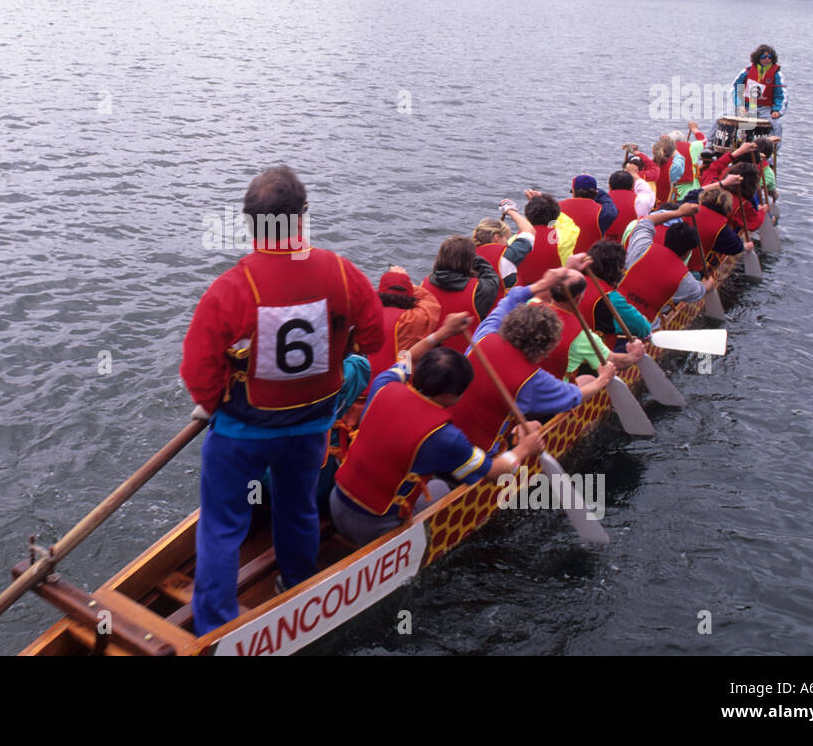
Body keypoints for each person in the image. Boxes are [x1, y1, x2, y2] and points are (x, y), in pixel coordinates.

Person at [180, 165, 384, 635]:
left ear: (250, 223)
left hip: (242, 433)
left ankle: (215, 625)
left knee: (222, 525)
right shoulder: (342, 272)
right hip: (311, 425)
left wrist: (217, 402)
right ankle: (295, 582)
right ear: (302, 217)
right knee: (297, 509)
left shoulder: (230, 289)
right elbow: (373, 338)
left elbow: (197, 369)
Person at [330, 313, 546, 547]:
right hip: (374, 527)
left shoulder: (384, 384)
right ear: (448, 396)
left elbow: (407, 357)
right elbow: (495, 473)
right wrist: (525, 449)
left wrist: (442, 333)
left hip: (337, 501)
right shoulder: (445, 437)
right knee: (441, 487)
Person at [450, 266, 616, 450]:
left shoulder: (485, 335)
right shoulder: (532, 379)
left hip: (445, 426)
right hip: (482, 452)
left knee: (530, 423)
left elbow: (511, 298)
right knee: (541, 421)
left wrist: (542, 284)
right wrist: (603, 379)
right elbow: (574, 397)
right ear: (544, 349)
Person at [619, 204, 716, 322]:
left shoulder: (642, 246)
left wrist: (679, 213)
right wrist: (708, 285)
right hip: (644, 325)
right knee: (695, 278)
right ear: (687, 253)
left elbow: (646, 221)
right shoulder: (685, 278)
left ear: (666, 238)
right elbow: (699, 292)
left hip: (615, 306)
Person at [420, 236, 499, 350]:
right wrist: (470, 255)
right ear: (469, 261)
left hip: (430, 354)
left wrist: (455, 252)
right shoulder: (479, 290)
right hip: (465, 359)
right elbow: (490, 275)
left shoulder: (424, 285)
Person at [365, 266, 440, 382]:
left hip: (364, 382)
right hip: (398, 382)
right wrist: (405, 281)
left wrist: (394, 279)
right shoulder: (413, 319)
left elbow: (369, 295)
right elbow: (429, 301)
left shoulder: (368, 313)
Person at [576, 239, 653, 345]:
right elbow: (644, 329)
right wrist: (643, 321)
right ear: (617, 270)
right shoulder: (612, 299)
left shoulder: (574, 280)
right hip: (598, 357)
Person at [730, 44, 788, 143]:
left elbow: (781, 96)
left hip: (765, 109)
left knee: (777, 125)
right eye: (763, 57)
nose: (767, 59)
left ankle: (772, 153)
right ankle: (713, 145)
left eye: (769, 57)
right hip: (748, 106)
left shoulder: (777, 75)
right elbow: (736, 89)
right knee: (725, 119)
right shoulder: (746, 72)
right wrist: (740, 105)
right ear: (757, 58)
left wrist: (777, 110)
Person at [514, 192, 572, 285]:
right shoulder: (565, 236)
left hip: (523, 294)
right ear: (555, 216)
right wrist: (546, 205)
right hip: (554, 292)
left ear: (527, 217)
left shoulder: (515, 240)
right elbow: (567, 222)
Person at [558, 174, 617, 254]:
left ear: (574, 191)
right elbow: (611, 208)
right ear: (596, 193)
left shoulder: (557, 207)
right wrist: (599, 192)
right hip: (590, 262)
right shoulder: (602, 212)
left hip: (563, 261)